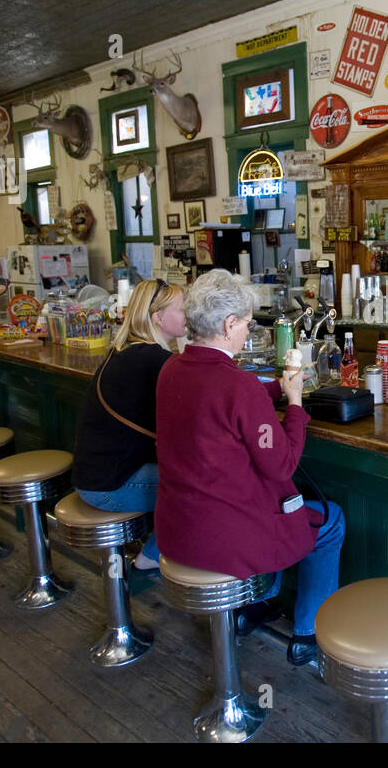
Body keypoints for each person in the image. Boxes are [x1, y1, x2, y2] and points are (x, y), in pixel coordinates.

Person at [154, 269, 344, 667]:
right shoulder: (237, 387)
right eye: (245, 322)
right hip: (228, 539)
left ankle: (256, 605)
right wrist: (294, 404)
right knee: (330, 521)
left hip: (178, 530)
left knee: (268, 504)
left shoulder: (171, 369)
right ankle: (308, 634)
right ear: (228, 325)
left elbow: (219, 393)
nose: (248, 329)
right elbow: (283, 465)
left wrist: (276, 387)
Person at [72, 278, 186, 569]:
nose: (190, 314)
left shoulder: (125, 349)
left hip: (93, 476)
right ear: (159, 317)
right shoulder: (155, 360)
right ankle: (150, 558)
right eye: (183, 309)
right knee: (202, 487)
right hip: (111, 486)